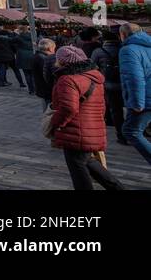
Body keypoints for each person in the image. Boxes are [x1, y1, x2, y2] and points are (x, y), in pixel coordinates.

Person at [49, 45, 122, 190]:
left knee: (79, 172)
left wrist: (55, 123)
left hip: (76, 130)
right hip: (92, 127)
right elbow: (102, 105)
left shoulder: (67, 79)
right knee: (88, 161)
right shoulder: (94, 75)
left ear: (62, 61)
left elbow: (68, 108)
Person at [118, 23, 151, 166]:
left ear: (123, 35)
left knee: (131, 131)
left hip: (146, 99)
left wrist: (137, 104)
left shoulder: (128, 50)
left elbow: (134, 78)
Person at [91, 30, 127, 145]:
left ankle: (121, 135)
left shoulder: (98, 52)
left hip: (108, 85)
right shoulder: (124, 49)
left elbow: (92, 68)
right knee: (132, 109)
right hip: (126, 84)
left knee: (116, 111)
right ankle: (135, 131)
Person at [14, 26, 36, 95]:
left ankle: (31, 90)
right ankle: (35, 89)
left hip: (22, 57)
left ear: (20, 30)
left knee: (27, 74)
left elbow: (11, 41)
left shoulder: (18, 37)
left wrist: (15, 33)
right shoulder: (32, 36)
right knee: (33, 74)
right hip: (32, 55)